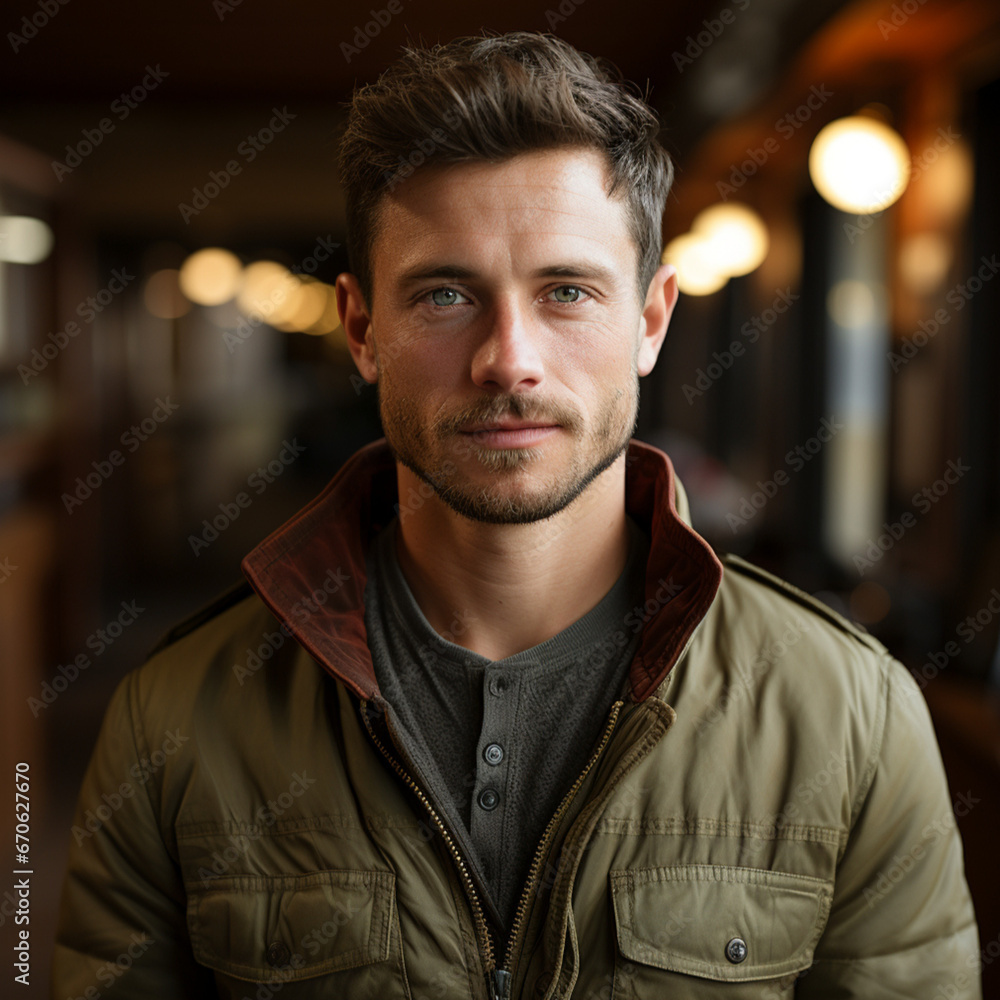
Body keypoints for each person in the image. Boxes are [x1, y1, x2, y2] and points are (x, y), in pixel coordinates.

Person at [52, 30, 981, 1000]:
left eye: (567, 291)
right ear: (363, 329)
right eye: (446, 293)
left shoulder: (853, 717)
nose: (509, 360)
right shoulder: (172, 717)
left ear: (651, 322)